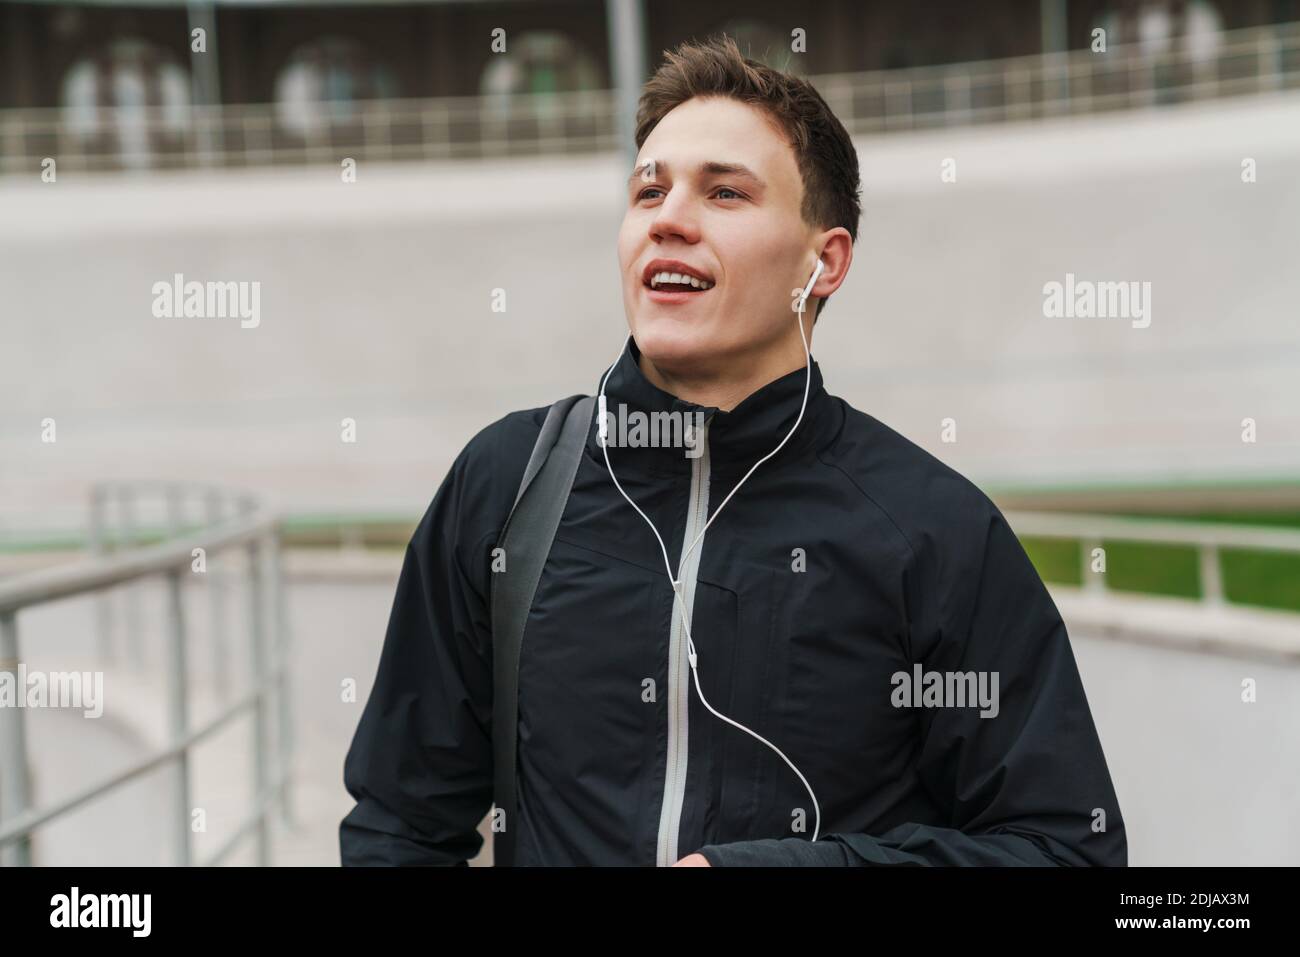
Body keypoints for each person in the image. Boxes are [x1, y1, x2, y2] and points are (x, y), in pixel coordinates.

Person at [339, 34, 1127, 867]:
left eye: (724, 193)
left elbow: (1067, 851)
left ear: (823, 263)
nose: (669, 218)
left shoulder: (938, 531)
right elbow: (400, 823)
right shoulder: (505, 484)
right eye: (649, 190)